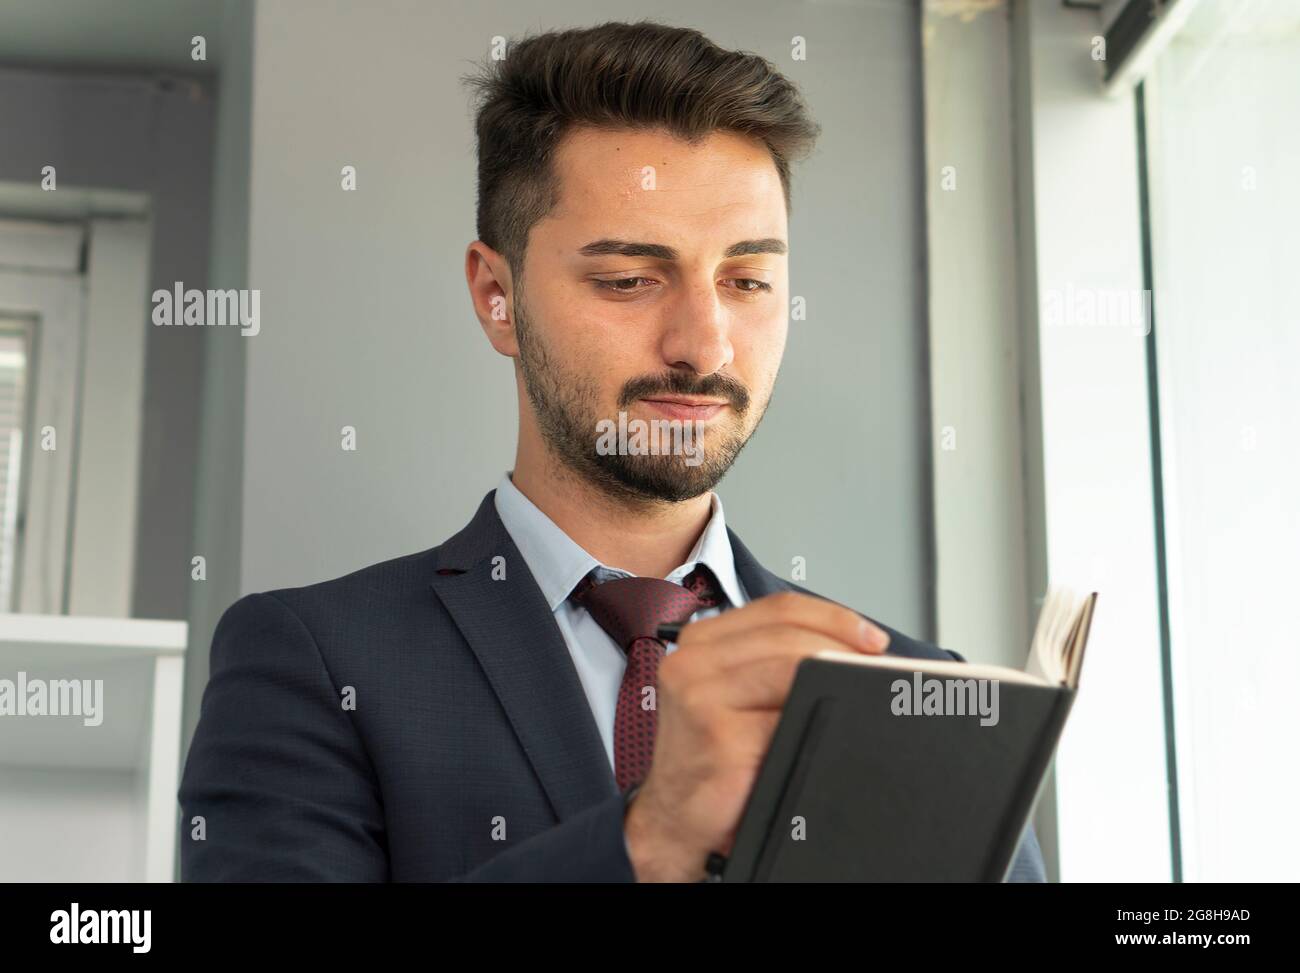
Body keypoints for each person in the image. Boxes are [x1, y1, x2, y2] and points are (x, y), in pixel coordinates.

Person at [179, 20, 1046, 883]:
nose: (704, 347)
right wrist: (647, 842)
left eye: (746, 281)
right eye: (630, 279)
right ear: (496, 295)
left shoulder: (917, 692)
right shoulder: (315, 662)